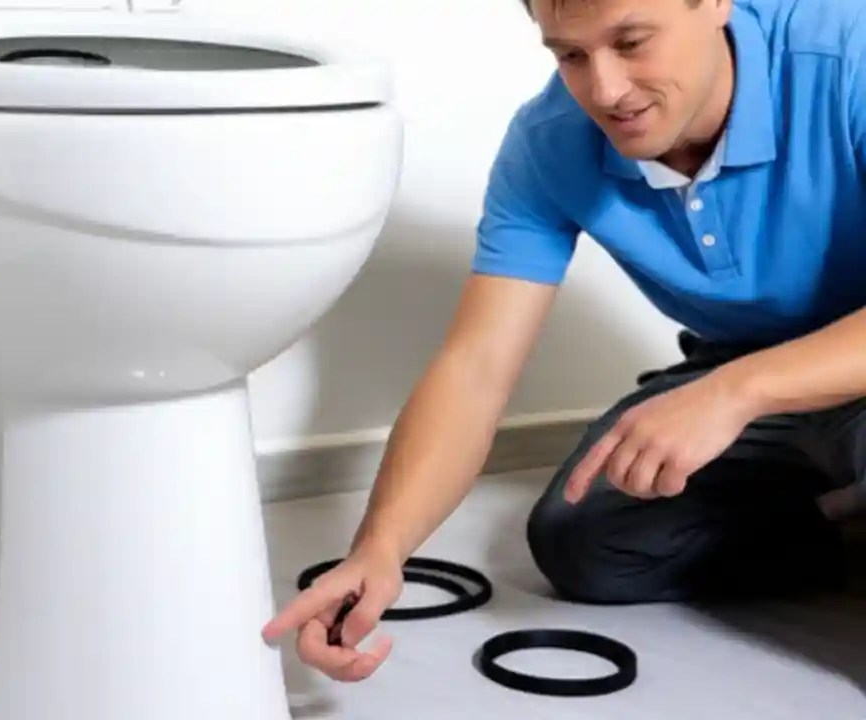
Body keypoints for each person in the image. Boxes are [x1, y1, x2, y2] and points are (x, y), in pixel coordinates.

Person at [260, 0, 866, 684]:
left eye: (631, 42)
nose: (606, 91)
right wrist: (380, 550)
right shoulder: (549, 142)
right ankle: (844, 523)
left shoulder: (848, 55)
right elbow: (476, 368)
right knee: (586, 542)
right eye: (570, 55)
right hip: (733, 363)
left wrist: (738, 393)